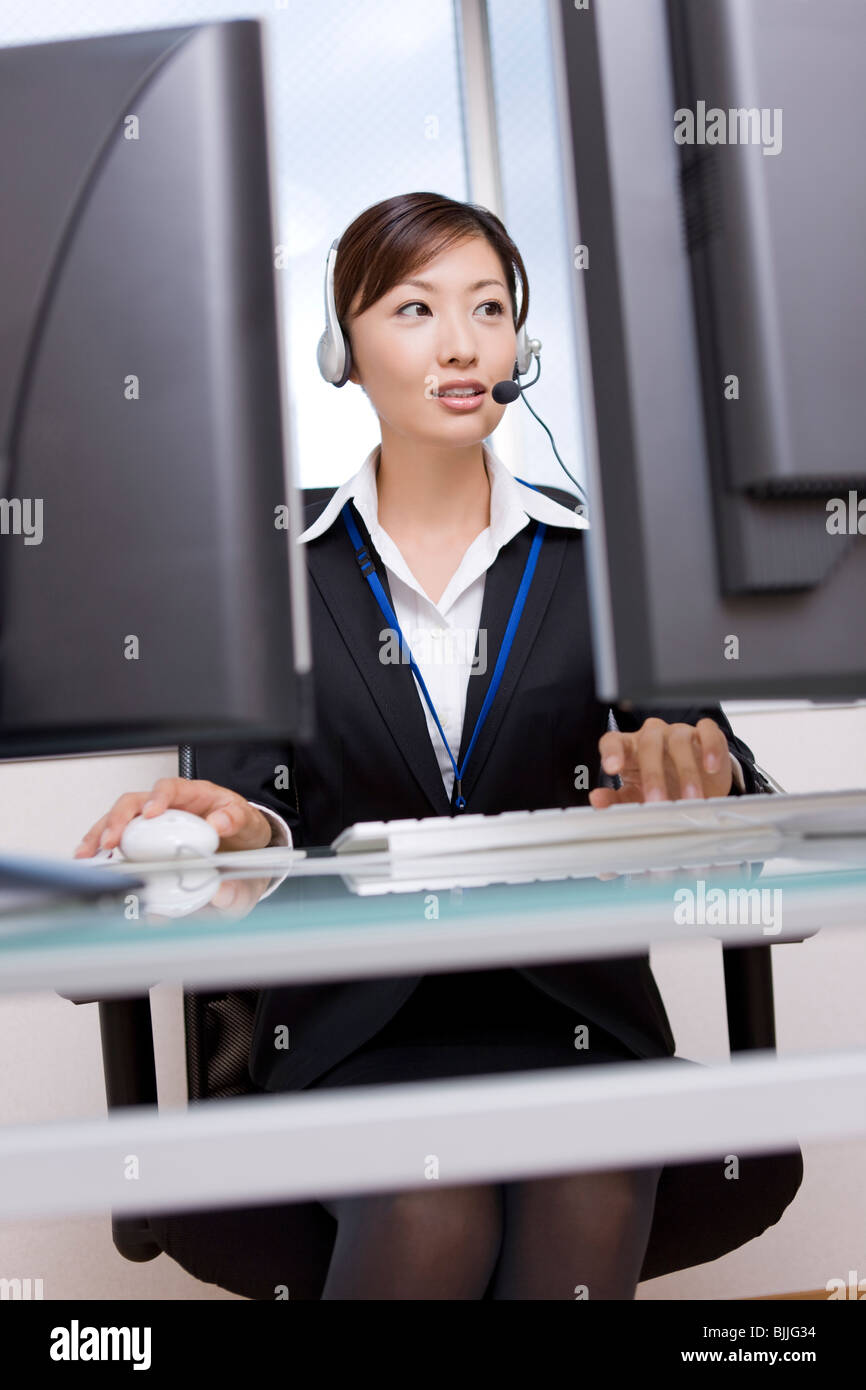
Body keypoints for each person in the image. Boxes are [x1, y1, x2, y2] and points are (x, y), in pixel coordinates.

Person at [75, 192, 772, 1300]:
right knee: (426, 1195)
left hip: (574, 1024)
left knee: (586, 1168)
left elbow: (719, 770)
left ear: (519, 347)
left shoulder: (606, 560)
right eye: (413, 308)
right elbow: (257, 807)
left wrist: (703, 772)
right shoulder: (270, 567)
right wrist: (241, 824)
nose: (459, 342)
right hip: (355, 1037)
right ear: (340, 347)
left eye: (488, 309)